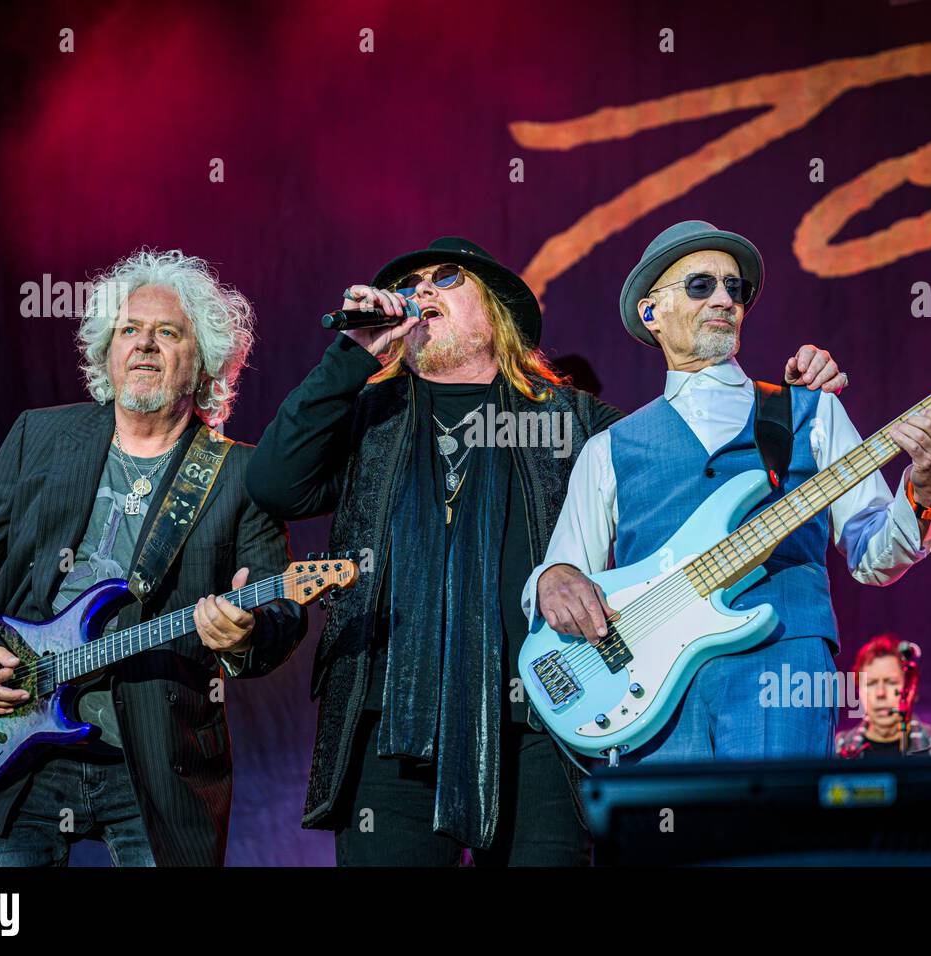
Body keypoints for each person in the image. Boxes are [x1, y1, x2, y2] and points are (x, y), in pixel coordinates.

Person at [247, 236, 849, 864]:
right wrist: (351, 355)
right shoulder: (370, 417)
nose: (421, 288)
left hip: (543, 727)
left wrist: (779, 409)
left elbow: (685, 473)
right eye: (412, 280)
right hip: (393, 722)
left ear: (497, 311)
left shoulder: (574, 421)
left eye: (446, 277)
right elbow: (275, 482)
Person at [526, 220, 931, 764]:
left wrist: (925, 484)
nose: (725, 299)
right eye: (700, 285)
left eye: (736, 288)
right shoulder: (608, 449)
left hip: (783, 666)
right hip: (648, 693)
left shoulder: (811, 410)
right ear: (650, 312)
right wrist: (551, 579)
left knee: (772, 847)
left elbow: (876, 557)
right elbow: (562, 579)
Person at [0, 249, 306, 866]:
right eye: (129, 330)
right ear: (107, 351)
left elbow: (280, 611)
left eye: (167, 332)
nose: (145, 344)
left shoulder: (238, 474)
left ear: (204, 361)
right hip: (16, 745)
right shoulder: (39, 437)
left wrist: (243, 634)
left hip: (156, 759)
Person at [835, 634, 931, 757]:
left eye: (891, 682)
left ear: (912, 689)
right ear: (859, 690)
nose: (881, 693)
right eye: (871, 683)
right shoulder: (838, 747)